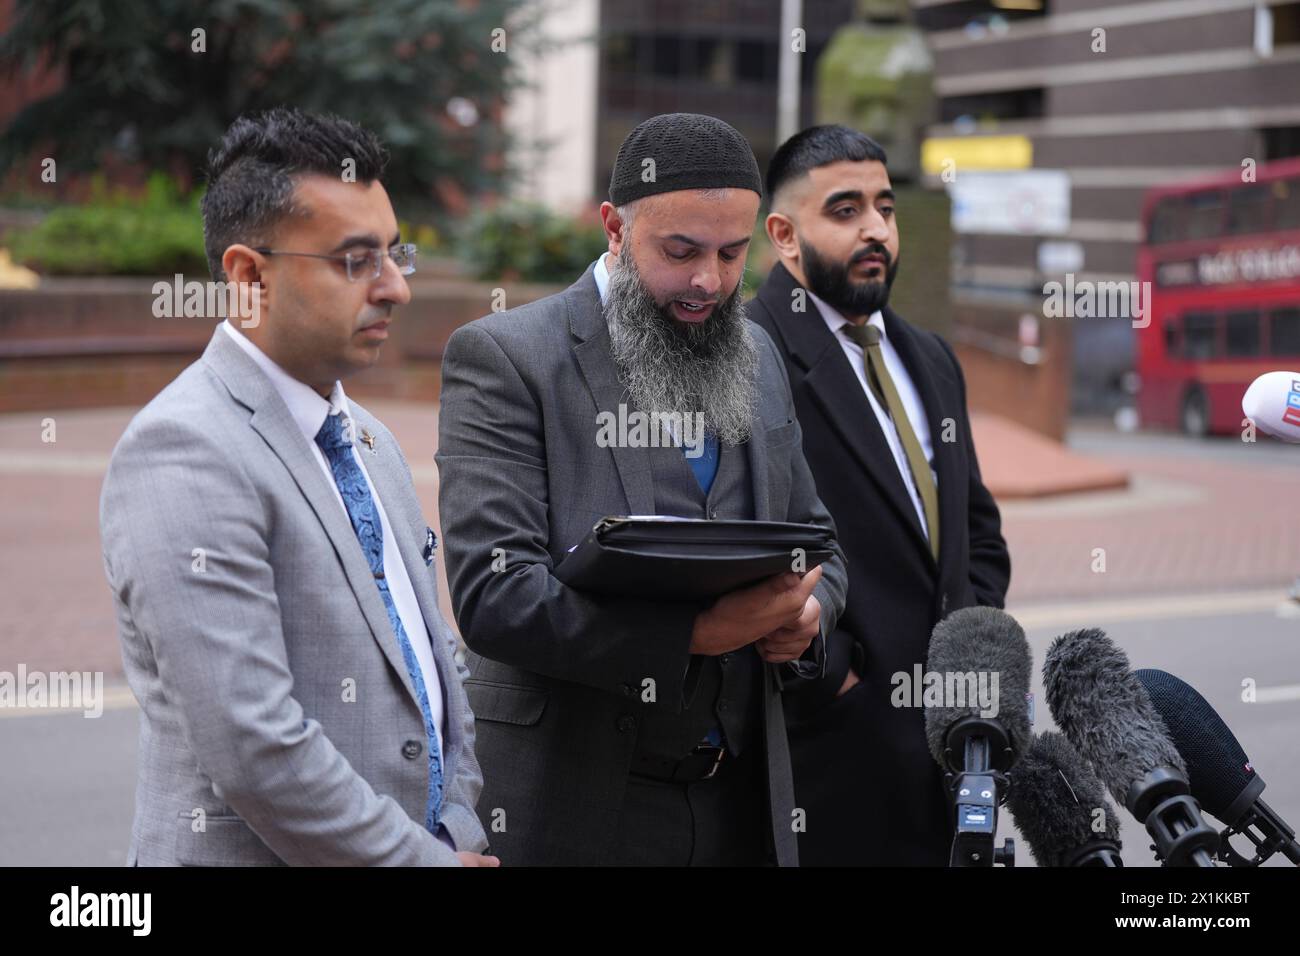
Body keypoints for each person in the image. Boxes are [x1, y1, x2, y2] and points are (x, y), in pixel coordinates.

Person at [436, 113, 847, 866]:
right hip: (575, 810)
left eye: (732, 254)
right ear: (614, 230)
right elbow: (494, 598)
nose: (710, 282)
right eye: (681, 251)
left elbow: (816, 538)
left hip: (738, 810)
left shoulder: (755, 347)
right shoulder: (505, 357)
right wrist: (694, 637)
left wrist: (808, 613)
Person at [99, 108, 493, 866]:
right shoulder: (183, 449)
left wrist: (456, 828)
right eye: (355, 261)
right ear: (250, 277)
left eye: (394, 254)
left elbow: (437, 665)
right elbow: (255, 747)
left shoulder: (369, 440)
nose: (395, 289)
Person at [748, 125, 1011, 865]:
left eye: (886, 208)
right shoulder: (745, 354)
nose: (875, 230)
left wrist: (968, 654)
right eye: (845, 210)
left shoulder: (928, 356)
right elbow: (747, 555)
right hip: (832, 763)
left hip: (953, 761)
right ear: (784, 234)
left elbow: (977, 535)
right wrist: (840, 682)